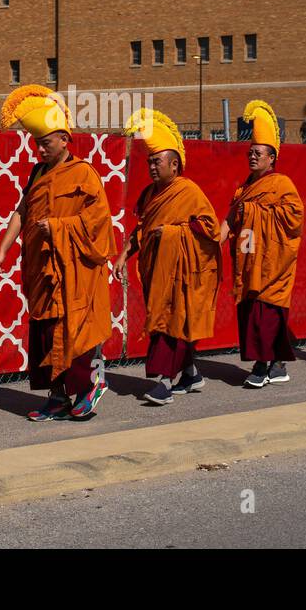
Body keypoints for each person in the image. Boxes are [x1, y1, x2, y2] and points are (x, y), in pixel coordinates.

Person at [0, 85, 116, 421]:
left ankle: (91, 385)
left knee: (74, 330)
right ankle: (58, 397)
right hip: (43, 269)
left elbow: (98, 220)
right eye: (37, 143)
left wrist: (60, 227)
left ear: (64, 139)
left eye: (45, 142)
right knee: (46, 333)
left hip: (74, 270)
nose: (40, 149)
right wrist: (3, 248)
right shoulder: (37, 173)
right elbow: (21, 211)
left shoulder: (83, 173)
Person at [114, 109, 221, 405]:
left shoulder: (188, 191)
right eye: (148, 160)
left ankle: (162, 382)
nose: (150, 165)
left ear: (174, 165)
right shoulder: (149, 195)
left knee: (168, 322)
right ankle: (190, 373)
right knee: (168, 321)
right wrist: (124, 256)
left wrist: (174, 233)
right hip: (156, 272)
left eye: (156, 161)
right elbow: (141, 230)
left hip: (182, 273)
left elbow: (210, 229)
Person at [223, 100, 304, 388]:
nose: (252, 157)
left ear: (272, 157)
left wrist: (257, 213)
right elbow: (231, 219)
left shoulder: (281, 184)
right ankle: (278, 365)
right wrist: (211, 243)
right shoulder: (244, 188)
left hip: (273, 263)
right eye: (250, 152)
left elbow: (294, 219)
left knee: (266, 313)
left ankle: (261, 365)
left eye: (258, 153)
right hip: (249, 260)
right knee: (252, 312)